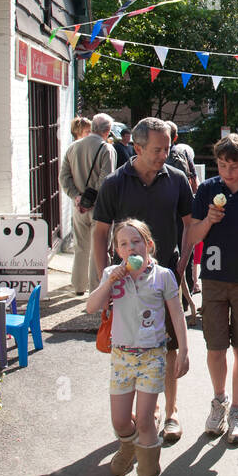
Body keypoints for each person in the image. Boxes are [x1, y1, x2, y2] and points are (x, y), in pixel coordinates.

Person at [92, 118, 195, 442]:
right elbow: (100, 233)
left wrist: (183, 262)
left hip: (163, 276)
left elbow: (190, 223)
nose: (164, 154)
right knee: (131, 346)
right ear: (136, 148)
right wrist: (102, 280)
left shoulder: (176, 179)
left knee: (167, 347)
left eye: (167, 147)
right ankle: (143, 414)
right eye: (157, 150)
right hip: (125, 284)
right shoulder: (114, 183)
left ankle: (172, 411)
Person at [87, 219, 188, 476]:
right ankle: (129, 447)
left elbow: (177, 314)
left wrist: (184, 351)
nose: (130, 247)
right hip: (121, 356)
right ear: (117, 250)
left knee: (144, 419)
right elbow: (91, 307)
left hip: (152, 355)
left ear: (149, 245)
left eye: (136, 242)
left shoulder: (163, 276)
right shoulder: (112, 273)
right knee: (121, 421)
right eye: (123, 244)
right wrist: (110, 280)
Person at [181, 134, 238, 444]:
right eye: (221, 165)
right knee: (215, 346)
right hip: (214, 279)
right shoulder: (207, 190)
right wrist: (209, 219)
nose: (226, 172)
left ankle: (237, 412)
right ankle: (219, 402)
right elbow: (193, 236)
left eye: (233, 166)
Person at [59, 113, 116, 295]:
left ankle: (78, 286)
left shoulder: (73, 147)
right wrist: (91, 200)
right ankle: (96, 288)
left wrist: (76, 196)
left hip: (78, 207)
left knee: (80, 246)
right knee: (99, 247)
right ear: (107, 131)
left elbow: (64, 177)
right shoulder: (106, 149)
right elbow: (106, 180)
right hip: (100, 207)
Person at [166, 121, 200, 297]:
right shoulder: (183, 151)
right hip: (183, 210)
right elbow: (193, 179)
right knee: (186, 248)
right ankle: (186, 295)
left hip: (166, 212)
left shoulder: (157, 155)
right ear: (176, 137)